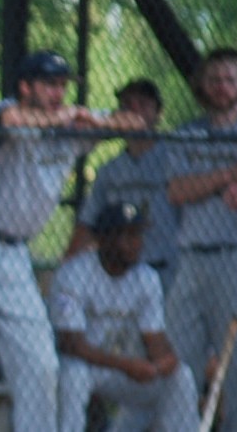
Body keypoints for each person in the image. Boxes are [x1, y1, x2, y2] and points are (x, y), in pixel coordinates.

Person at [0, 49, 145, 432]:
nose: (58, 93)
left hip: (16, 256)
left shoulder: (71, 130)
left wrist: (92, 119)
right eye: (49, 84)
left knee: (41, 362)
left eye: (62, 86)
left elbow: (134, 123)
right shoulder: (2, 110)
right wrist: (65, 117)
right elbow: (8, 122)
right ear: (25, 86)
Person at [164, 47, 237, 432]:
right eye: (215, 79)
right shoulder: (186, 133)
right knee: (177, 364)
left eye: (231, 79)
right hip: (191, 259)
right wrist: (227, 176)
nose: (222, 87)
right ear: (202, 84)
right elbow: (178, 191)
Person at [50, 201, 199, 431]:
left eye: (138, 235)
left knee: (182, 378)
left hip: (127, 370)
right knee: (74, 377)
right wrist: (128, 365)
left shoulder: (146, 278)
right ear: (105, 239)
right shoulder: (73, 273)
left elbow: (156, 343)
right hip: (88, 366)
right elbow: (72, 344)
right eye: (128, 236)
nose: (137, 244)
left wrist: (163, 363)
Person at [66, 79, 181, 291]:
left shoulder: (174, 157)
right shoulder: (110, 170)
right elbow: (87, 223)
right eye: (128, 104)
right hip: (120, 270)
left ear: (158, 113)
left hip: (167, 266)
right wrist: (66, 269)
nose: (135, 111)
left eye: (143, 104)